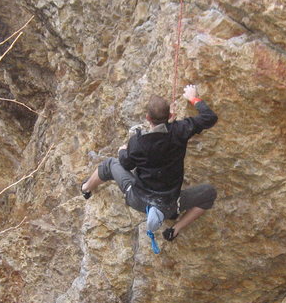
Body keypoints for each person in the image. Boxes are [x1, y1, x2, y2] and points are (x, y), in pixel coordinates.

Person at [81, 84, 218, 242]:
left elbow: (126, 164)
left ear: (147, 118)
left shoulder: (138, 142)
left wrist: (122, 151)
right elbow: (209, 117)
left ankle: (86, 188)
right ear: (170, 115)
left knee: (110, 164)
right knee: (209, 193)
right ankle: (174, 230)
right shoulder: (180, 131)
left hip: (138, 199)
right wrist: (193, 98)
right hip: (170, 205)